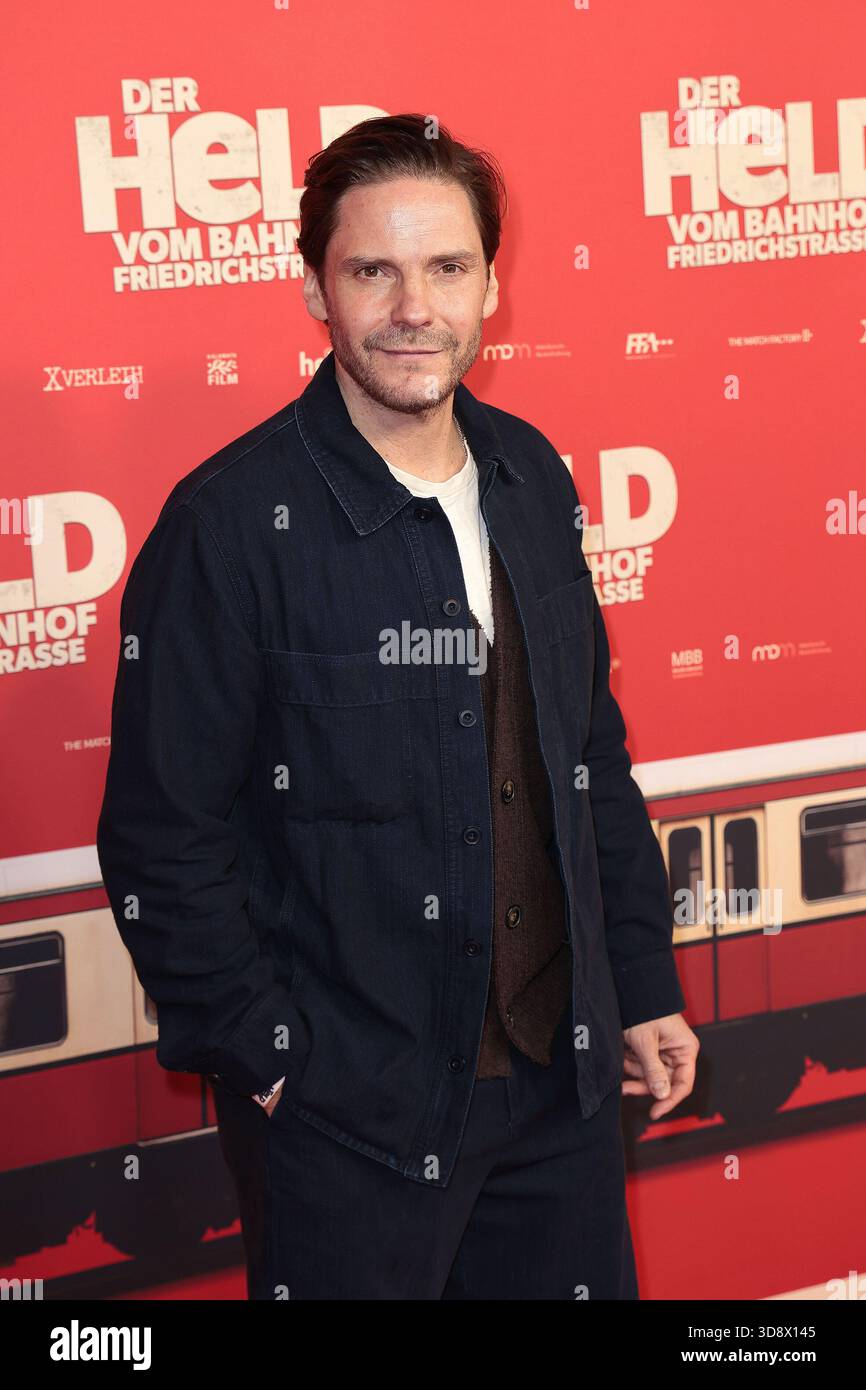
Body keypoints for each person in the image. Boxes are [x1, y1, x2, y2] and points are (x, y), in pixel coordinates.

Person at [96, 112, 699, 1300]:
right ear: (315, 288)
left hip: (559, 1097)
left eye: (444, 267)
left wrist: (635, 988)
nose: (411, 307)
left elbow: (585, 758)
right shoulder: (228, 526)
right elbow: (163, 835)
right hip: (348, 1126)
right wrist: (274, 1066)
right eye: (371, 269)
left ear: (491, 283)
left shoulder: (531, 476)